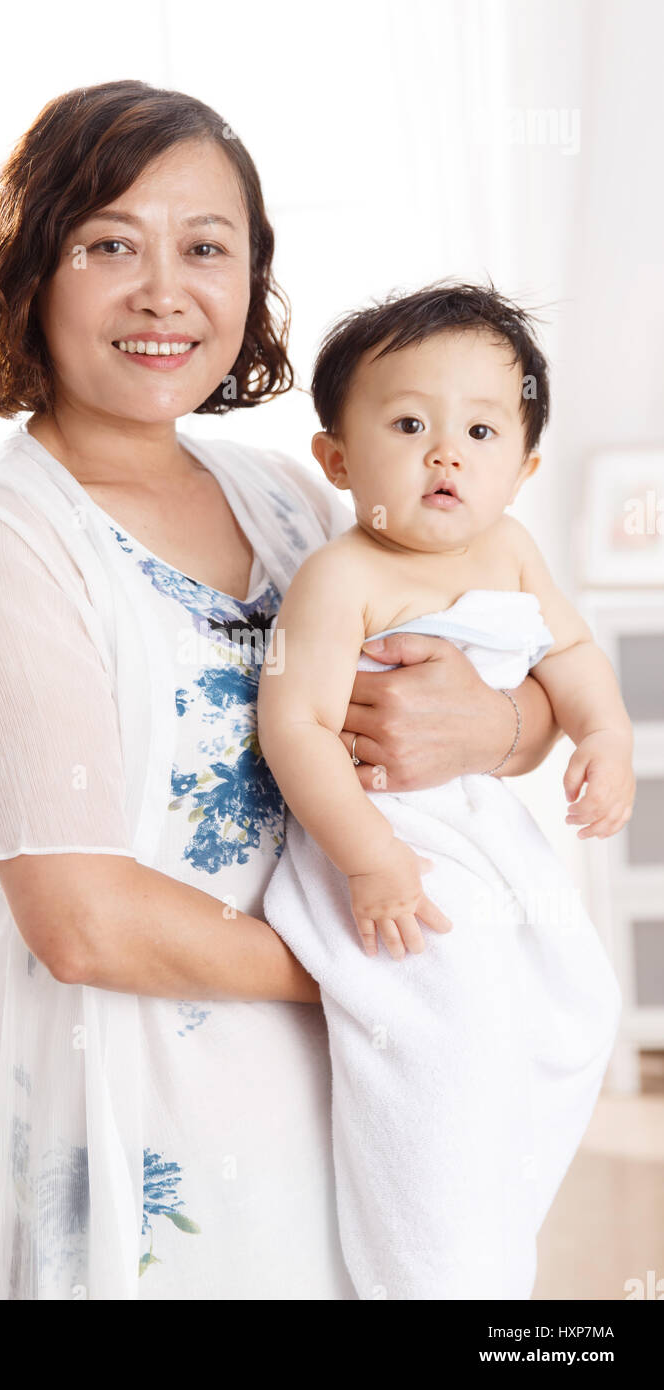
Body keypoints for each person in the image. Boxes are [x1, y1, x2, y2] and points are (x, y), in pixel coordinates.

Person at [0, 82, 564, 1300]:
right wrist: (416, 964)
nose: (165, 293)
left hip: (361, 1102)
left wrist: (505, 724)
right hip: (152, 1125)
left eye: (206, 248)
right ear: (30, 275)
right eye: (109, 244)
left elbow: (483, 683)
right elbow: (84, 919)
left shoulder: (291, 496)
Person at [257, 282, 628, 1300]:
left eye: (477, 429)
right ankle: (428, 1265)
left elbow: (571, 648)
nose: (444, 454)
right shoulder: (340, 577)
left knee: (574, 999)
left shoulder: (508, 550)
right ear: (336, 459)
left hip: (483, 825)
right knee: (444, 1016)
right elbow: (291, 726)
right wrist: (370, 858)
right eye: (408, 424)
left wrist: (603, 731)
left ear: (522, 465)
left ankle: (491, 1217)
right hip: (375, 829)